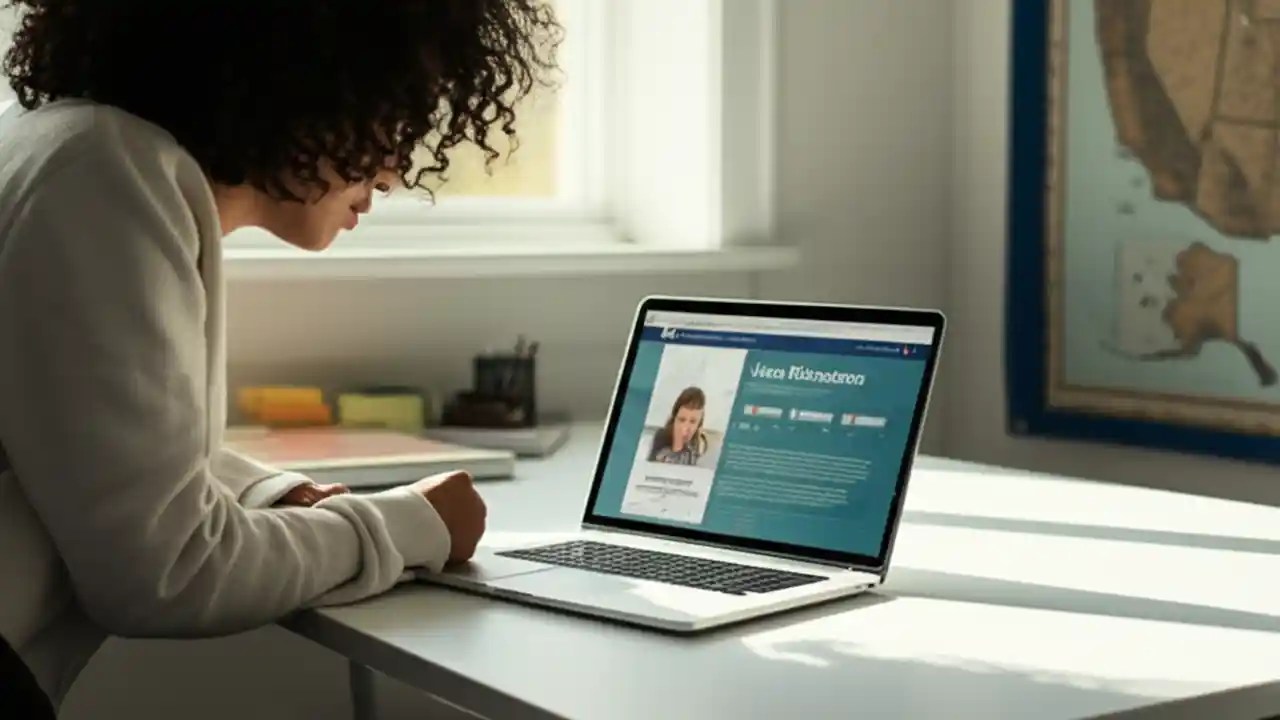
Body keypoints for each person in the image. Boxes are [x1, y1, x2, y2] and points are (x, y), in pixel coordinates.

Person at [0, 0, 561, 714]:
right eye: (396, 111)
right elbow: (169, 573)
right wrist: (411, 524)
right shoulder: (109, 176)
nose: (393, 169)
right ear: (307, 77)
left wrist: (271, 492)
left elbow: (81, 447)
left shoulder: (57, 145)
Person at [648, 387, 710, 466]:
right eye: (682, 420)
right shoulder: (662, 437)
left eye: (693, 422)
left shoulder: (700, 444)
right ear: (675, 419)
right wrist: (677, 446)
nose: (686, 427)